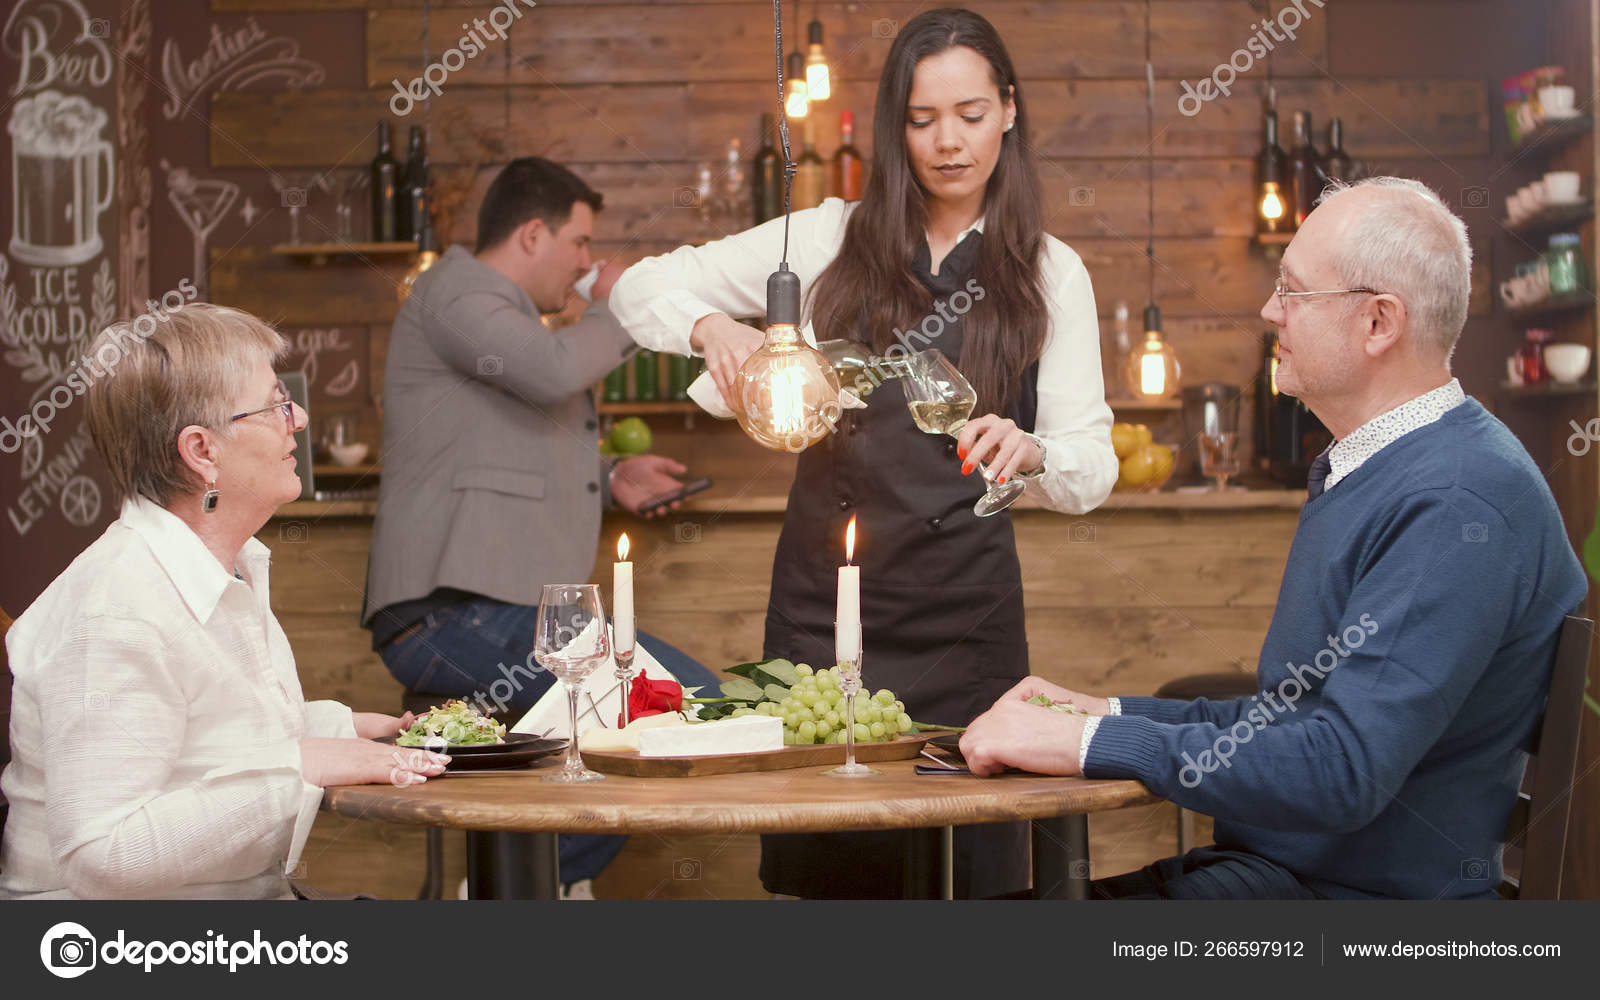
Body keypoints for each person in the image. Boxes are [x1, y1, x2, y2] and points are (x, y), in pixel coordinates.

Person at [960, 177, 1589, 900]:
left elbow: (1341, 767)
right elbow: (1293, 718)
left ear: (1379, 323)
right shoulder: (1384, 468)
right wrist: (1105, 714)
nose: (1269, 312)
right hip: (1284, 879)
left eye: (1293, 292)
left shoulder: (1456, 499)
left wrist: (1087, 745)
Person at [609, 9, 1117, 898]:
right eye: (922, 121)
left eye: (968, 114)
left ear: (1008, 110)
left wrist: (1033, 451)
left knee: (974, 885)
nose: (948, 142)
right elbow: (639, 284)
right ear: (894, 128)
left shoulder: (1049, 271)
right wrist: (714, 326)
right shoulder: (824, 238)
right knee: (835, 880)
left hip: (968, 622)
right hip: (821, 617)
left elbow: (1092, 464)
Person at [360, 157, 725, 893]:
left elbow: (506, 437)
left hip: (493, 615)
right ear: (533, 234)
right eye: (581, 244)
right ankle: (505, 895)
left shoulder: (500, 315)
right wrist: (626, 301)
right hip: (449, 616)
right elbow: (555, 370)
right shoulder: (456, 290)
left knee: (676, 716)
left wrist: (614, 476)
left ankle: (520, 888)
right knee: (683, 707)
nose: (588, 263)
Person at [0, 304, 447, 900]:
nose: (301, 417)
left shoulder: (219, 565)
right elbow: (101, 855)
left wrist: (342, 729)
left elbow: (196, 746)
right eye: (277, 404)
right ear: (202, 451)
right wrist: (303, 764)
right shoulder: (117, 610)